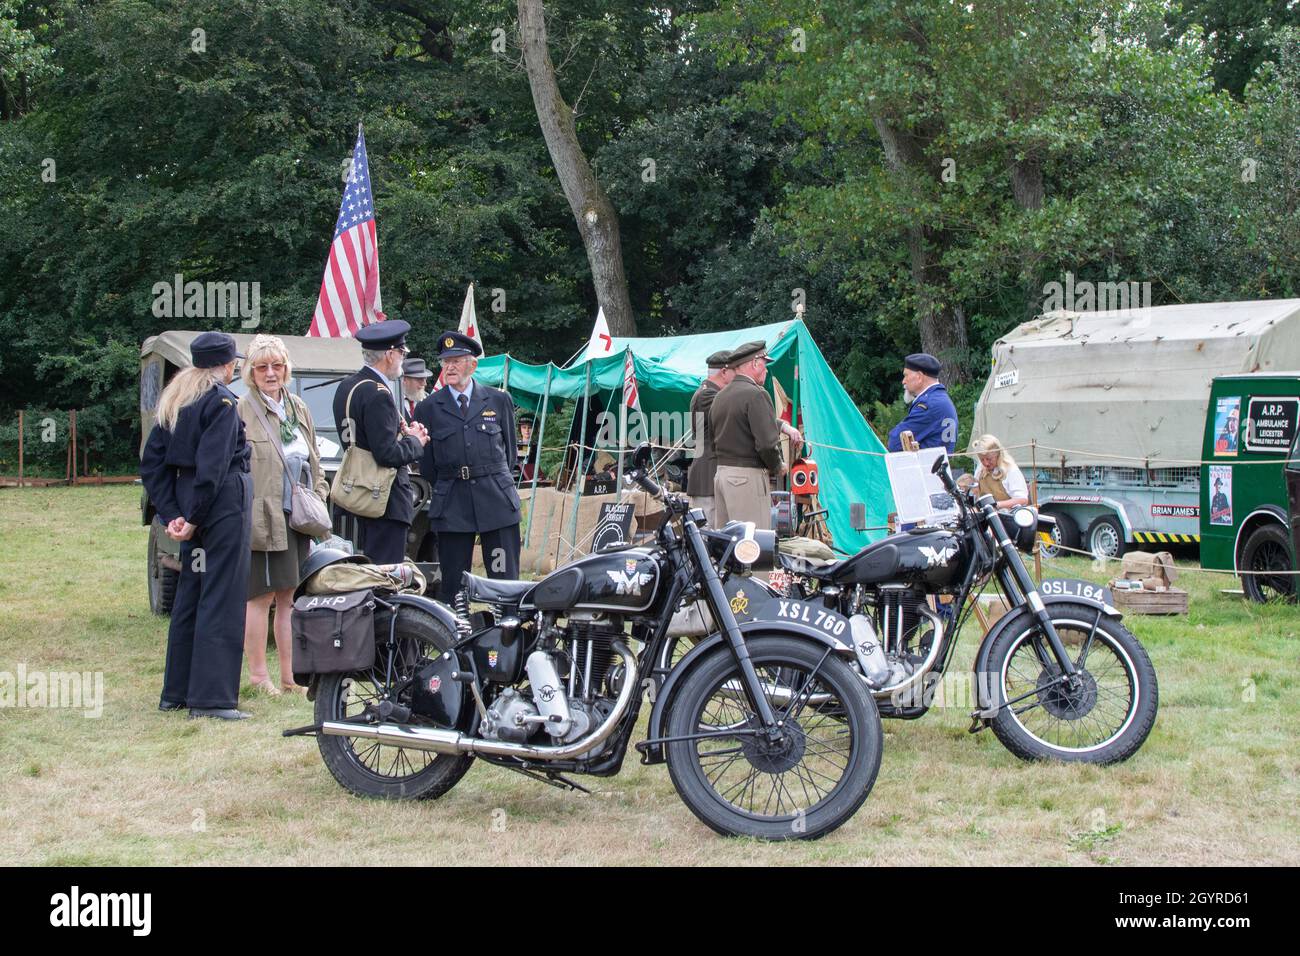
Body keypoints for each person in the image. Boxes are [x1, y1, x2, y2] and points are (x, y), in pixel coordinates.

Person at [140, 332, 253, 720]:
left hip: (193, 508)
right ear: (226, 365)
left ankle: (177, 692)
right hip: (220, 509)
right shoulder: (221, 402)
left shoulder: (176, 401)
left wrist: (175, 513)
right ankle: (213, 698)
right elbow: (214, 467)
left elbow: (152, 464)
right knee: (221, 596)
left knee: (192, 593)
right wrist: (193, 518)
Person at [237, 334, 330, 697]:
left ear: (286, 369)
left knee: (289, 598)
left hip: (296, 519)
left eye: (277, 366)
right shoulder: (241, 410)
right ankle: (259, 678)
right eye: (262, 367)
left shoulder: (298, 408)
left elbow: (316, 462)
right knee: (259, 598)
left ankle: (290, 677)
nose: (270, 373)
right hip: (262, 518)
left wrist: (317, 497)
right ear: (251, 372)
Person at [414, 331, 522, 603]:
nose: (449, 367)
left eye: (457, 361)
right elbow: (427, 466)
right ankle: (455, 637)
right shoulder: (428, 408)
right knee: (453, 582)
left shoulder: (498, 401)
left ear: (472, 365)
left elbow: (509, 455)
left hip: (496, 500)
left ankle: (506, 634)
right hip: (452, 503)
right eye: (445, 361)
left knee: (504, 579)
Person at [331, 320, 430, 564]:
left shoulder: (348, 386)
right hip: (382, 501)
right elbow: (386, 454)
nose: (402, 357)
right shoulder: (378, 393)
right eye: (402, 352)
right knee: (384, 576)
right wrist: (415, 442)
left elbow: (362, 440)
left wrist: (403, 435)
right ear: (389, 354)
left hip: (356, 493)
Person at [711, 340, 784, 528]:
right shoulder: (756, 394)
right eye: (765, 364)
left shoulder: (720, 396)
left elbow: (713, 437)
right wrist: (777, 466)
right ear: (755, 363)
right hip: (747, 478)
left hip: (721, 475)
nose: (766, 370)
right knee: (753, 545)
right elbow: (767, 444)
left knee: (727, 545)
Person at [685, 349, 734, 524]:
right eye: (735, 371)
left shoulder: (708, 392)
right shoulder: (707, 395)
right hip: (707, 477)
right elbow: (737, 411)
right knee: (706, 538)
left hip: (710, 475)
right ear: (724, 372)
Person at [887, 353, 958, 454]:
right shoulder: (940, 399)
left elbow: (895, 443)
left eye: (906, 376)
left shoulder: (928, 405)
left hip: (927, 468)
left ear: (919, 377)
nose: (903, 381)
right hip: (939, 466)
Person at [959, 434, 1029, 509]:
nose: (986, 463)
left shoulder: (1010, 470)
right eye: (982, 459)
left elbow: (1022, 500)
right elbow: (975, 492)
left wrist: (996, 505)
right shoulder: (981, 469)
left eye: (989, 459)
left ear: (998, 454)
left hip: (1007, 515)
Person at [399, 357, 433, 424]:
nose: (424, 384)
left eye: (425, 379)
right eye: (419, 379)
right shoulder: (393, 400)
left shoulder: (429, 401)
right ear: (404, 380)